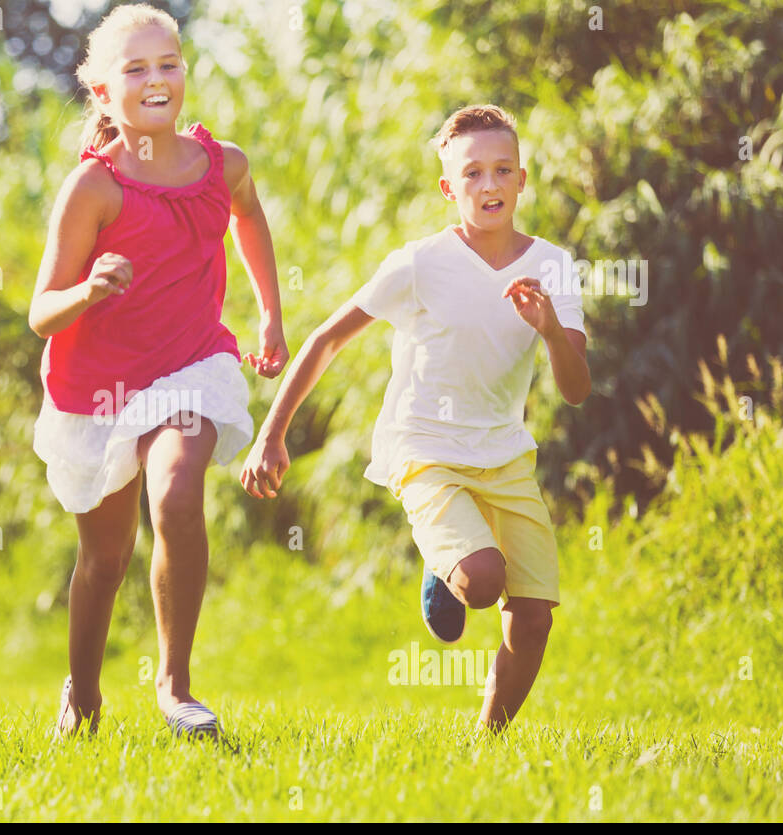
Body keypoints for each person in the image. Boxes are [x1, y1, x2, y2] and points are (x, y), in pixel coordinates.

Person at [241, 104, 590, 730]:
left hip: (505, 451)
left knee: (534, 613)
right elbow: (326, 340)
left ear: (522, 180)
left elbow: (575, 388)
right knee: (483, 582)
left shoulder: (553, 266)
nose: (489, 185)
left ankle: (488, 741)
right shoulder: (419, 264)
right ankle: (445, 564)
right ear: (448, 187)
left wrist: (552, 332)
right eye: (473, 173)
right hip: (423, 446)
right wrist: (271, 434)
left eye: (502, 170)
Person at [29, 4, 287, 739]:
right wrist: (89, 290)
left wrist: (270, 315)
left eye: (167, 63)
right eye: (135, 68)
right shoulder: (94, 187)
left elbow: (249, 216)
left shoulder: (223, 164)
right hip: (98, 388)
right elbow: (40, 312)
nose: (155, 78)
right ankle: (82, 694)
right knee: (103, 558)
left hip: (191, 363)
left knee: (175, 496)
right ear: (105, 95)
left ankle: (175, 686)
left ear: (184, 74)